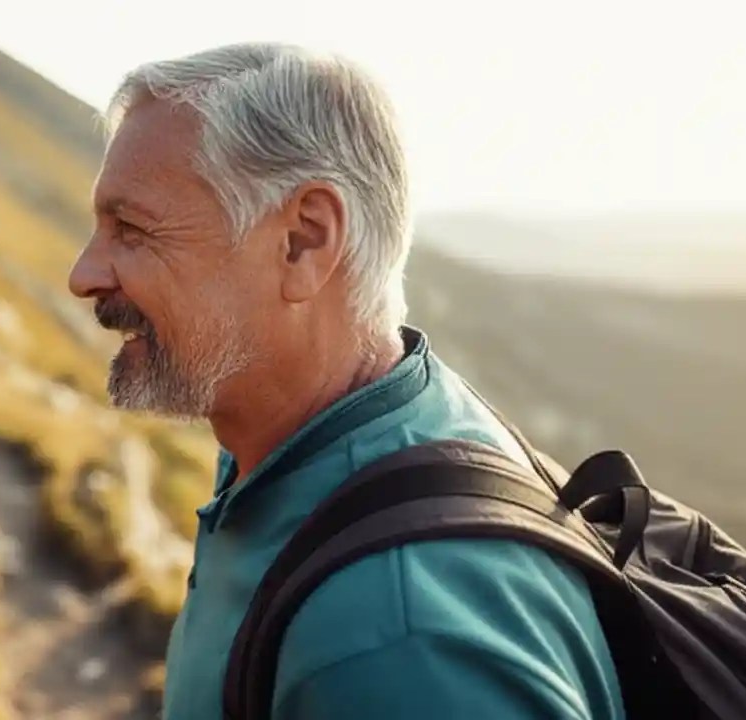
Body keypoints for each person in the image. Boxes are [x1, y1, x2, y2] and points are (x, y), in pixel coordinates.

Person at [68, 42, 625, 720]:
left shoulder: (398, 645)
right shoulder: (303, 432)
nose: (84, 275)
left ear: (303, 241)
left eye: (131, 229)